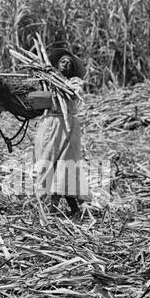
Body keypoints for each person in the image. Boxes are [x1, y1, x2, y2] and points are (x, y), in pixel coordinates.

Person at [30, 44, 89, 215]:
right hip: (49, 124)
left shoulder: (74, 83)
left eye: (69, 64)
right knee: (46, 162)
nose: (65, 65)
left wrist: (55, 77)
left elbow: (71, 94)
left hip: (67, 126)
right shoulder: (47, 81)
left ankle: (61, 208)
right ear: (56, 64)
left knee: (65, 165)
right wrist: (48, 76)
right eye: (63, 62)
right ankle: (56, 207)